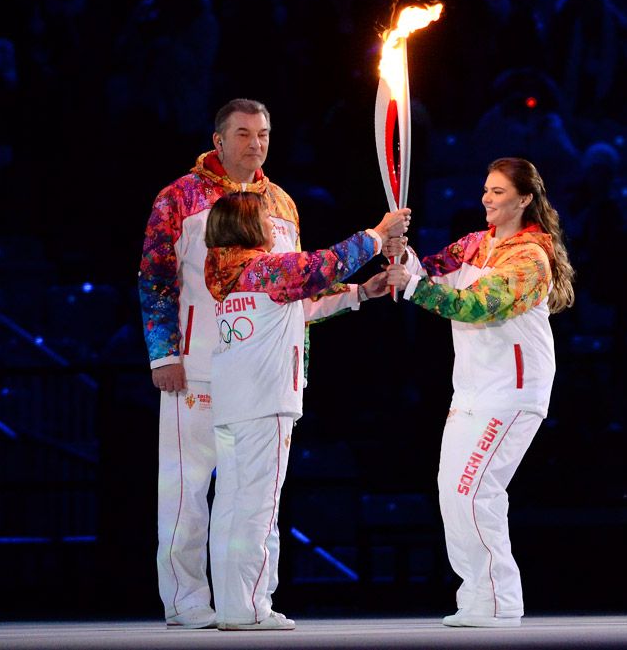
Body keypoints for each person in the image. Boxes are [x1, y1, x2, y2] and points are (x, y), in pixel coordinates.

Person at [137, 98, 405, 628]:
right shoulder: (179, 198)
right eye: (243, 134)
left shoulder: (280, 203)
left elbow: (294, 290)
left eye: (262, 133)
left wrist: (358, 293)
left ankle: (243, 600)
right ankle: (186, 600)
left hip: (261, 366)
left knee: (250, 496)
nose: (255, 143)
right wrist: (164, 353)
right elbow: (156, 279)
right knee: (188, 490)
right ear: (218, 140)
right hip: (196, 363)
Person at [383, 157, 574, 628]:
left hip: (513, 391)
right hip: (470, 390)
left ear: (524, 199)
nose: (487, 198)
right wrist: (399, 252)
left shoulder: (530, 259)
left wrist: (413, 288)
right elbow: (428, 272)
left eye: (499, 192)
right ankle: (476, 597)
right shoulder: (475, 244)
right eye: (486, 190)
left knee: (475, 490)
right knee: (453, 492)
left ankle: (498, 599)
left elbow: (476, 306)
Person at [201, 192, 405, 630]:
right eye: (265, 219)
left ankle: (235, 605)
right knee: (258, 506)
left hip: (234, 401)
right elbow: (320, 267)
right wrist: (377, 234)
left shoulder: (228, 271)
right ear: (246, 226)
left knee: (232, 506)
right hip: (265, 399)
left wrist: (360, 293)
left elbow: (300, 305)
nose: (272, 227)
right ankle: (250, 609)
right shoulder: (261, 268)